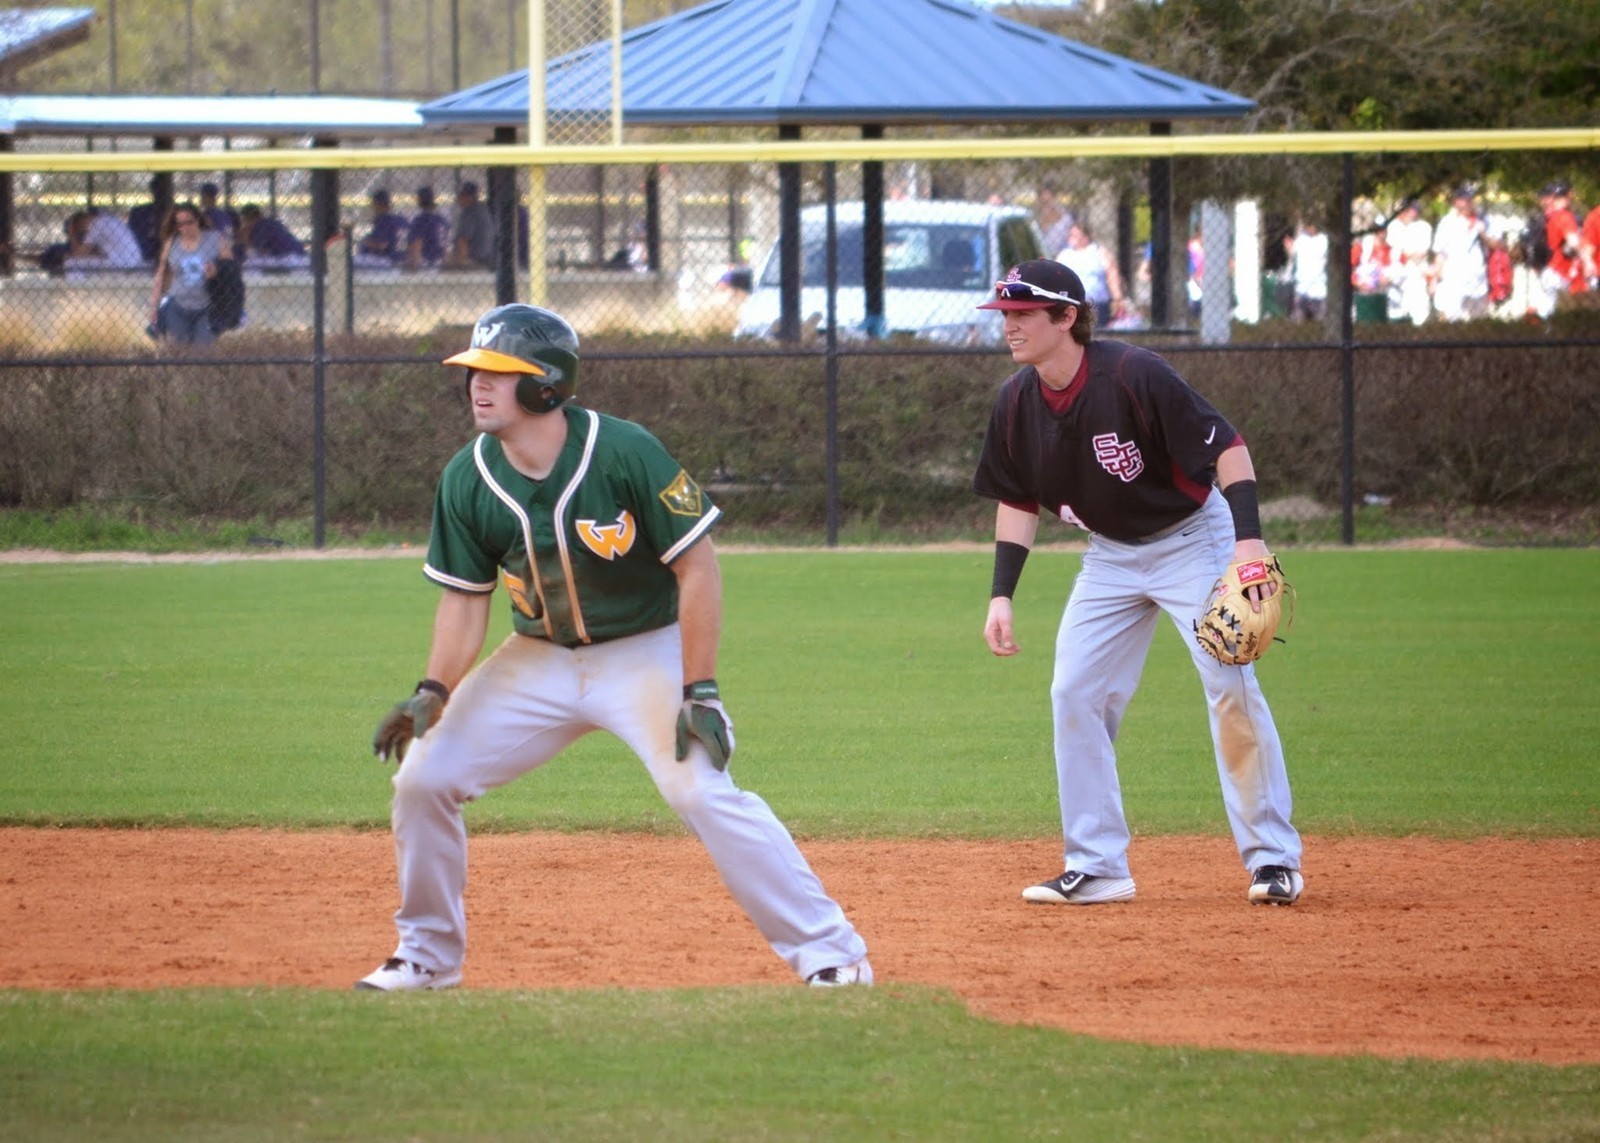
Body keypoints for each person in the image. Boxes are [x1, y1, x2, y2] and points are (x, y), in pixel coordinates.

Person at [356, 303, 873, 992]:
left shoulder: (624, 450)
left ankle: (831, 952)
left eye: (497, 371)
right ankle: (426, 956)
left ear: (545, 383)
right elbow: (463, 599)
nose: (477, 384)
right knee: (421, 778)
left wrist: (702, 688)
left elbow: (699, 567)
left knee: (699, 788)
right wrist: (433, 688)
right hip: (534, 659)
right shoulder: (466, 477)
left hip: (642, 651)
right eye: (472, 370)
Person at [969, 259, 1304, 909]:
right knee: (1075, 690)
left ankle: (1273, 859)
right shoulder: (1015, 401)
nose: (1008, 326)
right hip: (1111, 556)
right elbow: (1015, 498)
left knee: (1228, 679)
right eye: (1004, 315)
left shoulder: (1132, 374)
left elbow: (1228, 448)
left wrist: (1249, 544)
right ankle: (1096, 864)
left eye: (1023, 314)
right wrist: (1001, 593)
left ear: (1067, 317)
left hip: (1192, 538)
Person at [148, 202, 231, 346]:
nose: (185, 228)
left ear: (198, 219)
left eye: (189, 222)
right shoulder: (172, 243)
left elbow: (231, 269)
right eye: (180, 224)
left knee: (203, 353)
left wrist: (217, 270)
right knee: (178, 352)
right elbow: (160, 276)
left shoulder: (215, 239)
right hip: (178, 306)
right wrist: (154, 306)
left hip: (208, 306)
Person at [1430, 187, 1489, 322]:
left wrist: (1483, 234)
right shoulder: (1447, 222)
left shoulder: (1482, 220)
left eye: (1469, 200)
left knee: (1478, 321)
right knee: (1453, 318)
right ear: (1456, 202)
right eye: (1462, 200)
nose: (1466, 204)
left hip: (1477, 278)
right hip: (1454, 278)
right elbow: (1440, 254)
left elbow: (1497, 245)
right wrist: (1434, 279)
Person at [1054, 222, 1127, 329]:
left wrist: (1117, 298)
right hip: (1071, 303)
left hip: (1097, 304)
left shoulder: (1098, 252)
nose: (1073, 238)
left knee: (1097, 333)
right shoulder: (1064, 255)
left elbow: (1112, 274)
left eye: (1077, 235)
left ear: (1086, 236)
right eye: (1071, 235)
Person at [1385, 199, 1433, 325]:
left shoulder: (1423, 226)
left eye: (1413, 210)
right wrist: (1405, 254)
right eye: (1407, 210)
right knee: (1395, 312)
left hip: (1416, 273)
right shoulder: (1393, 226)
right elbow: (1391, 250)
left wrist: (1405, 254)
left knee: (1419, 313)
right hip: (1396, 273)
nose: (1410, 213)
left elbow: (1421, 253)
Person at [62, 207, 144, 273]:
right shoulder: (108, 220)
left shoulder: (97, 224)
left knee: (70, 263)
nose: (83, 233)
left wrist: (71, 232)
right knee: (82, 262)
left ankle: (76, 289)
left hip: (123, 263)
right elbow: (99, 255)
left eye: (80, 231)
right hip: (132, 260)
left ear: (80, 223)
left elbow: (79, 254)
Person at [235, 205, 309, 269]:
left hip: (288, 259)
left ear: (247, 218)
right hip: (302, 258)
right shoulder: (272, 222)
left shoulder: (260, 226)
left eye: (244, 220)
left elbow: (258, 252)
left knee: (249, 263)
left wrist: (245, 239)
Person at [443, 180, 495, 269]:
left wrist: (459, 261)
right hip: (489, 260)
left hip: (474, 261)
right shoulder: (484, 209)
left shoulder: (469, 212)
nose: (458, 199)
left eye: (461, 196)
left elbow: (463, 241)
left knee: (444, 264)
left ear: (469, 197)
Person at [1286, 219, 1329, 322]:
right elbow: (1292, 253)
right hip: (1302, 288)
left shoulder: (1324, 239)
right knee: (1298, 321)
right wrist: (1288, 247)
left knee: (1320, 321)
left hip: (1319, 290)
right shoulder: (1301, 239)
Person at [353, 189, 408, 267]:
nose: (373, 207)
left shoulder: (383, 219)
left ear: (378, 204)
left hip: (386, 260)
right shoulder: (402, 219)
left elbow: (382, 245)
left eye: (374, 204)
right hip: (402, 259)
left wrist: (365, 242)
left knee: (350, 261)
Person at [402, 186, 449, 269]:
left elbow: (416, 246)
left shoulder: (420, 221)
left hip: (426, 264)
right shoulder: (442, 220)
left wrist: (413, 267)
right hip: (442, 263)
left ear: (420, 201)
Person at [126, 175, 166, 263]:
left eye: (162, 191)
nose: (159, 193)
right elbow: (130, 233)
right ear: (152, 191)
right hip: (144, 251)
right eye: (157, 190)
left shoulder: (175, 211)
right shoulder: (139, 211)